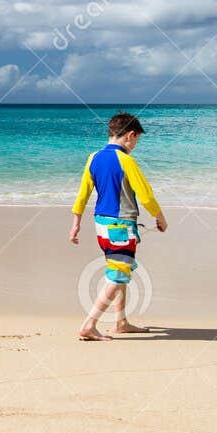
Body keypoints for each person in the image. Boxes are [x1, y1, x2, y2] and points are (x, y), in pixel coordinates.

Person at [70, 112, 167, 340]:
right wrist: (161, 217)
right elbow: (146, 196)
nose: (135, 146)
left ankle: (121, 322)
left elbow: (82, 194)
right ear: (130, 136)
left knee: (118, 269)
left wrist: (75, 224)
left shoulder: (93, 157)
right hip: (120, 225)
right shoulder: (127, 160)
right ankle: (89, 324)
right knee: (118, 276)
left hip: (100, 224)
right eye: (136, 141)